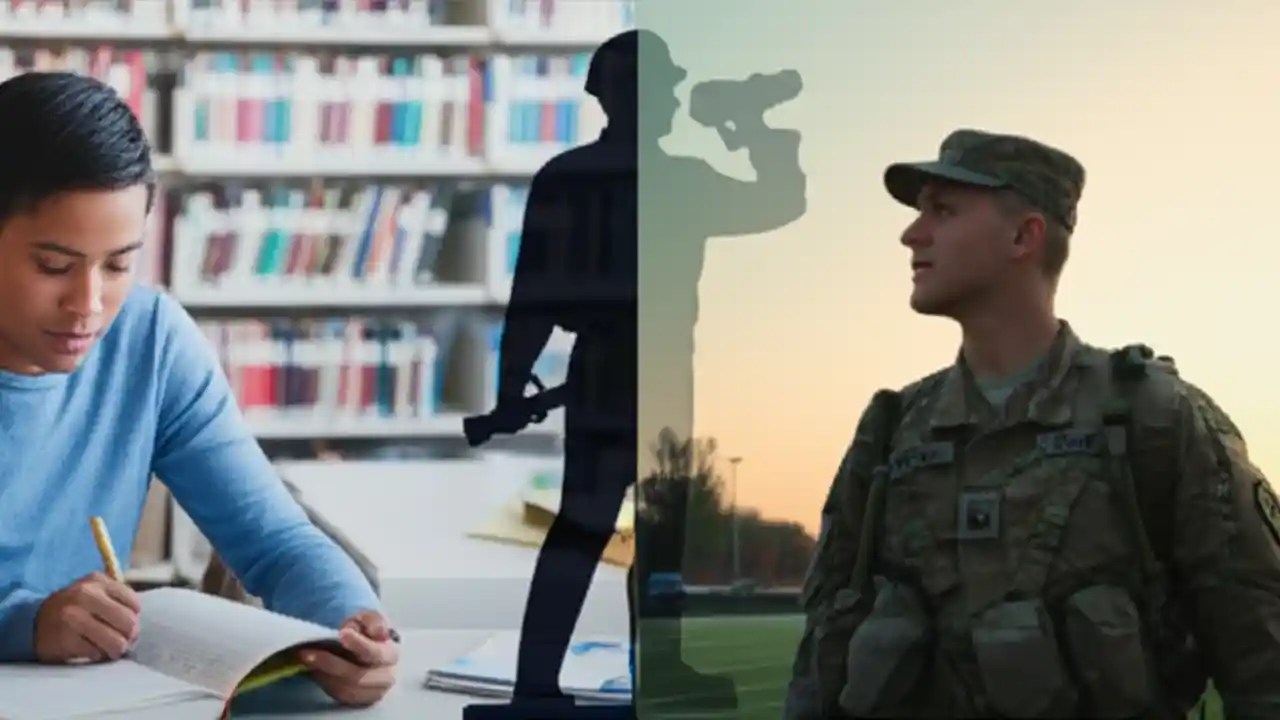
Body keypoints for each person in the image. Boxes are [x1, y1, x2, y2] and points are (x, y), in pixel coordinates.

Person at [783, 128, 1280, 719]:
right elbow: (822, 655)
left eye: (943, 211)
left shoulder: (1153, 417)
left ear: (1024, 235)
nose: (911, 234)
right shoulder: (893, 431)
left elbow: (1263, 664)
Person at [0, 72, 398, 709]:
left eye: (119, 264)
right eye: (54, 267)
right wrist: (25, 623)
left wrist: (352, 624)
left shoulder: (149, 340)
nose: (90, 305)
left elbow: (273, 540)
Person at [488, 28, 806, 713]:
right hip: (652, 369)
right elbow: (779, 201)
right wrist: (755, 130)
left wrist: (511, 386)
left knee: (603, 530)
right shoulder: (679, 178)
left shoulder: (568, 176)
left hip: (621, 369)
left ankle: (555, 684)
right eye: (665, 88)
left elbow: (531, 300)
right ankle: (595, 681)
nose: (673, 100)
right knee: (629, 531)